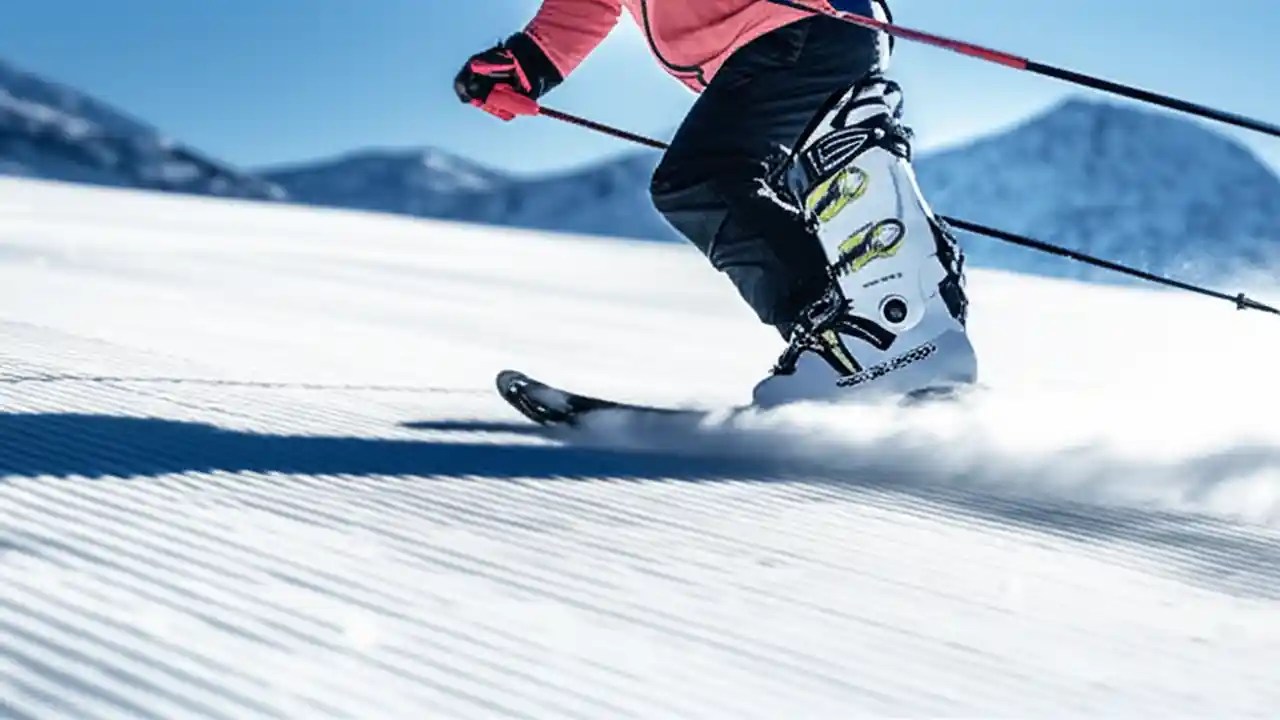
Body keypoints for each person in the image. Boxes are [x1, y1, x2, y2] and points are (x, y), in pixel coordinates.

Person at [454, 0, 976, 407]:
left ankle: (876, 331)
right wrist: (523, 65)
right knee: (767, 181)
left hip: (795, 23)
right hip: (778, 40)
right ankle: (881, 337)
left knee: (703, 177)